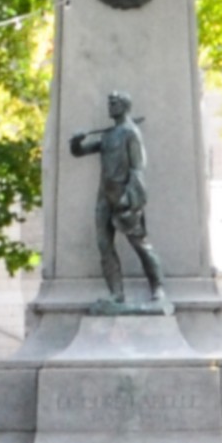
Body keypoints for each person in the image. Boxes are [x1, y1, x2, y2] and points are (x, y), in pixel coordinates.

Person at [70, 89, 165, 309]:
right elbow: (80, 152)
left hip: (125, 196)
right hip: (104, 197)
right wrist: (75, 142)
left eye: (114, 103)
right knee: (104, 246)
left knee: (140, 244)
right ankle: (116, 293)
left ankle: (158, 288)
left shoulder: (131, 133)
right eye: (109, 102)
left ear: (124, 106)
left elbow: (138, 169)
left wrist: (130, 198)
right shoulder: (108, 134)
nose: (110, 106)